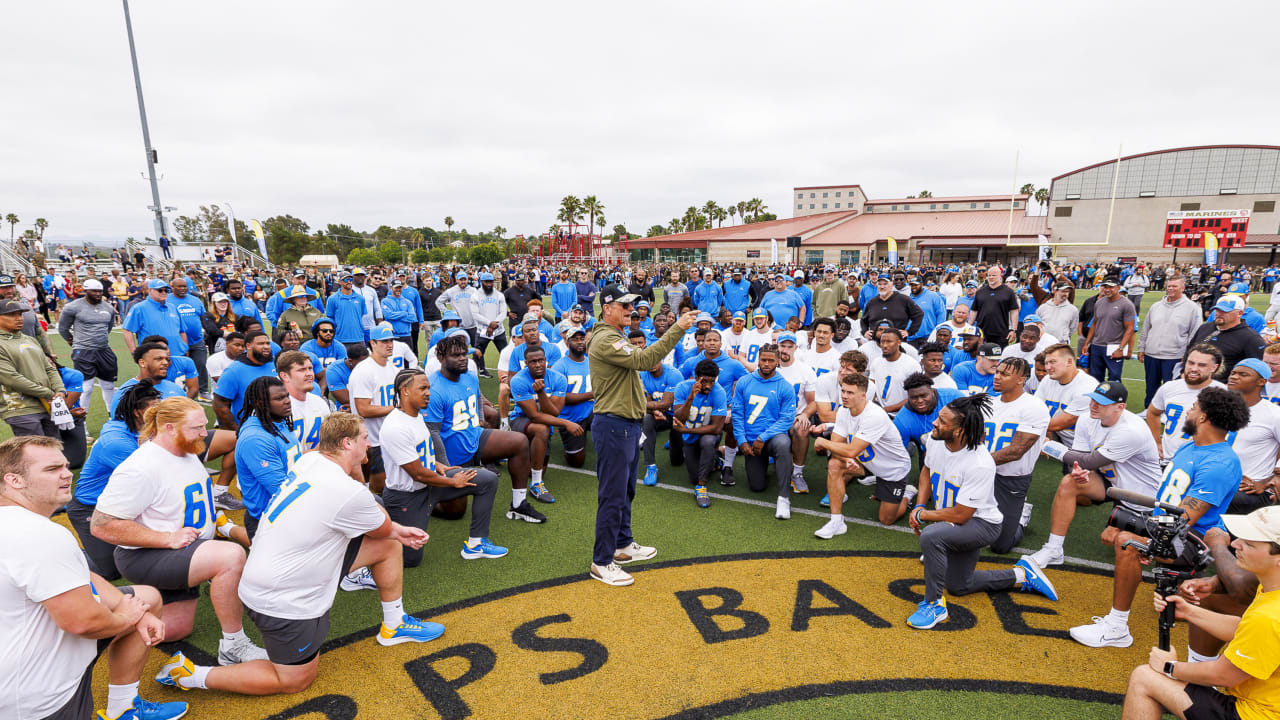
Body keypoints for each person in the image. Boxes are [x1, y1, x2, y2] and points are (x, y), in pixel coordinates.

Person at [156, 412, 446, 697]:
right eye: (364, 439)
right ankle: (192, 674)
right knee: (294, 680)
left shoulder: (310, 461)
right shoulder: (347, 491)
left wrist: (394, 530)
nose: (369, 444)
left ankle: (394, 624)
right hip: (281, 598)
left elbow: (383, 533)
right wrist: (392, 525)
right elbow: (380, 524)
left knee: (387, 547)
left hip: (275, 571)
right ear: (346, 443)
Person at [0, 435, 188, 720]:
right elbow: (83, 622)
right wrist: (127, 618)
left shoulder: (18, 524)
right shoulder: (40, 535)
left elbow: (76, 573)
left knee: (145, 599)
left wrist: (135, 610)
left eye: (65, 466)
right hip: (35, 697)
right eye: (52, 469)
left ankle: (123, 707)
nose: (66, 473)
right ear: (15, 481)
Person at [1066, 386, 1247, 650]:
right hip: (1170, 527)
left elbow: (1185, 517)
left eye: (1194, 407)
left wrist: (1141, 534)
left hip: (1194, 539)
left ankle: (1117, 628)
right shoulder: (1191, 446)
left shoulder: (1219, 463)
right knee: (1119, 532)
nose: (1189, 410)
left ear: (1203, 418)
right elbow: (1166, 503)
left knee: (1127, 542)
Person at [90, 397, 268, 659]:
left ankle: (121, 608)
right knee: (230, 557)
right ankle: (234, 645)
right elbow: (102, 526)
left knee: (172, 630)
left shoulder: (183, 449)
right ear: (169, 428)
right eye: (196, 427)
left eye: (204, 426)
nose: (203, 433)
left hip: (183, 549)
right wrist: (167, 538)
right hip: (149, 554)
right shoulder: (141, 468)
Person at [905, 394, 1058, 630]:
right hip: (954, 521)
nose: (935, 423)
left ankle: (934, 605)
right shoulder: (936, 442)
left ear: (960, 431)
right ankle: (1022, 575)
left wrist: (924, 517)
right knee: (959, 586)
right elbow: (926, 470)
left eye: (943, 421)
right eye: (939, 418)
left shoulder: (979, 462)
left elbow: (961, 515)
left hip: (981, 525)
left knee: (931, 536)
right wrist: (919, 505)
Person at [1123, 505, 1280, 720]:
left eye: (1249, 544)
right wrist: (1188, 612)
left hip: (1258, 714)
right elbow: (1244, 629)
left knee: (1144, 677)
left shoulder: (1269, 616)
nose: (1235, 544)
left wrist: (1169, 667)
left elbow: (1224, 676)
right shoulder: (1272, 590)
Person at [586, 284, 697, 586]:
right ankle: (601, 561)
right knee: (612, 495)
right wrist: (677, 328)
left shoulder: (615, 335)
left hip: (628, 424)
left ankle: (622, 545)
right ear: (606, 308)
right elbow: (645, 361)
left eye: (631, 305)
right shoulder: (606, 338)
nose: (629, 310)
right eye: (623, 306)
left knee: (625, 490)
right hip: (614, 425)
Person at [1026, 381, 1162, 569]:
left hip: (1142, 498)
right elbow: (1081, 460)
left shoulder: (1131, 430)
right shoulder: (1086, 419)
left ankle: (1147, 536)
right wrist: (1080, 472)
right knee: (1069, 482)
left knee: (1117, 541)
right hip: (1112, 484)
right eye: (1093, 399)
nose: (1093, 405)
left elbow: (1090, 461)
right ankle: (1053, 549)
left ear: (1120, 407)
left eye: (1102, 403)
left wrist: (1048, 446)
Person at [380, 368, 504, 567]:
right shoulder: (395, 427)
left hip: (431, 483)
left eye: (428, 387)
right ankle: (383, 526)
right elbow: (417, 473)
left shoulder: (416, 415)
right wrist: (452, 481)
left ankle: (477, 544)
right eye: (422, 388)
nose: (428, 392)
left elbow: (420, 455)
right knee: (409, 560)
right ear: (404, 391)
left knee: (487, 480)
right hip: (407, 496)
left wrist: (439, 465)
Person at [426, 332, 547, 525]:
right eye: (455, 355)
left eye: (464, 354)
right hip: (452, 453)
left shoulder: (469, 376)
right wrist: (446, 468)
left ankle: (518, 505)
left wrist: (481, 419)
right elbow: (432, 432)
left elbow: (478, 399)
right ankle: (426, 499)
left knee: (519, 441)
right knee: (456, 512)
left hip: (475, 436)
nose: (462, 359)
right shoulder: (433, 388)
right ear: (441, 358)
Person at [69, 382, 162, 581]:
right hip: (90, 508)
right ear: (138, 412)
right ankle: (69, 556)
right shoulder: (117, 443)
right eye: (155, 409)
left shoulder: (140, 427)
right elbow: (155, 475)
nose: (160, 413)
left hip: (122, 504)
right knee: (110, 571)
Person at [813, 371, 912, 535]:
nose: (844, 396)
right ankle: (836, 521)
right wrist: (844, 457)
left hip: (892, 469)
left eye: (850, 393)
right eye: (843, 391)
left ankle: (907, 495)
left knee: (886, 519)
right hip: (865, 461)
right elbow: (837, 445)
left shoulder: (874, 415)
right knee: (834, 464)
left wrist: (823, 441)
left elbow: (850, 449)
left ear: (863, 396)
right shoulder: (844, 411)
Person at [982, 357, 1049, 553]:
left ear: (1021, 379)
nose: (997, 376)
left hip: (1011, 477)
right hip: (984, 473)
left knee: (1000, 546)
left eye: (1005, 374)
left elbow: (1016, 450)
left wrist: (977, 463)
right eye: (997, 371)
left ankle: (1020, 520)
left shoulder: (1034, 407)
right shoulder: (988, 402)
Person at [731, 343, 797, 518]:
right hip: (751, 441)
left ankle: (783, 498)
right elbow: (737, 414)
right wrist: (742, 441)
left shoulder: (785, 386)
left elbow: (787, 419)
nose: (767, 363)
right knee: (757, 487)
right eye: (763, 360)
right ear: (758, 360)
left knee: (783, 443)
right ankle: (769, 467)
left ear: (777, 362)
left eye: (771, 360)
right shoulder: (744, 382)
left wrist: (763, 437)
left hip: (772, 438)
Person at [234, 377, 303, 539]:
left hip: (287, 510)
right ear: (261, 403)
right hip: (269, 519)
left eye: (287, 396)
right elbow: (280, 488)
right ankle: (226, 527)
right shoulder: (256, 438)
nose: (287, 401)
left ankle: (226, 527)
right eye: (279, 398)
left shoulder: (278, 423)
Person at [508, 345, 576, 502]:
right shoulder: (518, 380)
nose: (537, 364)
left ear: (546, 360)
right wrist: (566, 423)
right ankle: (536, 484)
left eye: (540, 360)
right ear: (526, 363)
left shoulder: (558, 378)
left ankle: (533, 470)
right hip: (520, 420)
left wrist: (541, 392)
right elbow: (534, 416)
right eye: (533, 361)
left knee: (533, 469)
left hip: (547, 420)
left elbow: (554, 412)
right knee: (542, 429)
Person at [1145, 344, 1224, 464]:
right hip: (1168, 460)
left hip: (1201, 463)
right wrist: (1156, 442)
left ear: (1214, 367)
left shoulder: (1223, 393)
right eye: (1190, 363)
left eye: (1201, 365)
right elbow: (1153, 412)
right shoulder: (1169, 387)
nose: (1194, 368)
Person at [0, 298, 68, 438]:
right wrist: (49, 393)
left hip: (47, 405)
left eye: (20, 314)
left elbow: (49, 368)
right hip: (20, 408)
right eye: (12, 315)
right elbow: (12, 379)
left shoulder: (29, 339)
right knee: (37, 455)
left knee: (56, 451)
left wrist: (60, 390)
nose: (19, 318)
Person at [348, 323, 401, 492]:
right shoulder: (364, 370)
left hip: (388, 436)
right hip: (371, 440)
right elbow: (363, 409)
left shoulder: (392, 368)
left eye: (391, 340)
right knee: (373, 488)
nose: (390, 344)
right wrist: (395, 408)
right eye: (384, 341)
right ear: (372, 343)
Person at [1137, 273, 1204, 406]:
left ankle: (1168, 413)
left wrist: (1188, 354)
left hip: (1174, 356)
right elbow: (1145, 329)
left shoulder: (1192, 308)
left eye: (1175, 286)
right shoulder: (1156, 306)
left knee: (1172, 388)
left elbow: (1195, 334)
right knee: (1151, 386)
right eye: (1169, 286)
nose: (1171, 288)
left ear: (1183, 287)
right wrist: (1141, 348)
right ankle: (1149, 410)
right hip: (1151, 354)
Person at [1224, 359, 1280, 514]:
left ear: (1261, 381)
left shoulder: (1274, 414)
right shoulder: (1220, 407)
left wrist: (1268, 482)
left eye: (1243, 374)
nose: (1234, 377)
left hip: (1247, 489)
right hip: (1218, 480)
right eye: (1233, 373)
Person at [58, 277, 119, 412]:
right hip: (83, 351)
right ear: (86, 291)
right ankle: (82, 419)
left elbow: (108, 327)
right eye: (94, 291)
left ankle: (112, 415)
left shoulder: (108, 307)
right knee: (87, 387)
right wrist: (72, 341)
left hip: (104, 350)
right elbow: (62, 328)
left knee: (108, 385)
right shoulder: (72, 307)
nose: (98, 294)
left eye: (100, 291)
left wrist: (99, 340)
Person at [673, 359, 728, 510]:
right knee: (693, 477)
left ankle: (701, 488)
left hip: (706, 435)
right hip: (689, 437)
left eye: (712, 381)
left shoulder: (719, 392)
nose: (709, 386)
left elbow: (716, 428)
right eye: (705, 381)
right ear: (696, 377)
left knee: (708, 442)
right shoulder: (683, 388)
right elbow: (679, 418)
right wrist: (691, 396)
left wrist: (686, 430)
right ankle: (716, 459)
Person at [212, 330, 278, 430]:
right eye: (261, 343)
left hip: (277, 426)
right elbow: (219, 403)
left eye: (267, 343)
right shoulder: (234, 371)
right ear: (248, 346)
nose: (266, 346)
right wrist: (236, 430)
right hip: (249, 430)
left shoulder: (275, 364)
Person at [1190, 294, 1267, 376]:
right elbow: (1189, 350)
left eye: (1225, 311)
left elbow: (1258, 368)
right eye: (1217, 310)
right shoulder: (1204, 328)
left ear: (1240, 313)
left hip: (1224, 386)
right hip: (1194, 380)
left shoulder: (1251, 338)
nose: (1219, 314)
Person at [551, 325, 594, 469]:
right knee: (577, 463)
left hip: (592, 412)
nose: (580, 342)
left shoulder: (592, 361)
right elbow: (561, 398)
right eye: (575, 339)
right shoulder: (560, 366)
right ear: (567, 343)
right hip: (571, 418)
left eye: (582, 339)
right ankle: (570, 449)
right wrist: (591, 395)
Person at [1083, 274, 1137, 382]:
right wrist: (1087, 343)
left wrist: (1121, 348)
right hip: (1097, 346)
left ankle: (1115, 399)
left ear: (1118, 287)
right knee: (1095, 378)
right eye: (1105, 287)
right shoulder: (1099, 303)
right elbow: (1094, 323)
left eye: (1111, 287)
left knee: (1114, 378)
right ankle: (1098, 399)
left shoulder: (1127, 304)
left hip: (1114, 347)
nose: (1107, 290)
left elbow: (1130, 329)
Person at [278, 350, 331, 452]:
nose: (309, 374)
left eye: (310, 369)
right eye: (301, 370)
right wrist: (315, 452)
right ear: (285, 376)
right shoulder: (277, 407)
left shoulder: (319, 402)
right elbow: (279, 455)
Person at [168, 278, 210, 401]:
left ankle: (203, 391)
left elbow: (203, 318)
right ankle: (180, 391)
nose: (182, 289)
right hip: (177, 342)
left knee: (201, 365)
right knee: (179, 367)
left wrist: (206, 331)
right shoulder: (167, 300)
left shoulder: (195, 300)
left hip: (197, 340)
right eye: (179, 286)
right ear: (172, 287)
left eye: (184, 286)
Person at [868, 327, 921, 412]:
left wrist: (887, 409)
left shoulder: (912, 365)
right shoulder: (876, 362)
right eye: (882, 342)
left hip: (901, 414)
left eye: (889, 342)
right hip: (879, 412)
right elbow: (871, 388)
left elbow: (915, 396)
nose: (884, 345)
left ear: (899, 342)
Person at [970, 266, 1020, 347]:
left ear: (1000, 276)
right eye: (989, 275)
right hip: (982, 332)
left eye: (994, 275)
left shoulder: (1008, 292)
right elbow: (974, 310)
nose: (991, 277)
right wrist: (969, 325)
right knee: (981, 356)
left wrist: (1013, 330)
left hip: (1001, 332)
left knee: (999, 357)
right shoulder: (980, 292)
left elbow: (1014, 311)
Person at [470, 272, 508, 378]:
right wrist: (489, 324)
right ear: (481, 282)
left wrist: (493, 325)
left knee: (506, 353)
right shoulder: (475, 296)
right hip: (482, 331)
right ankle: (471, 376)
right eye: (486, 282)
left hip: (498, 330)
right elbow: (475, 314)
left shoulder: (499, 295)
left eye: (490, 282)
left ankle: (510, 375)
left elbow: (503, 313)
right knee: (477, 355)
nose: (489, 284)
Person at [326, 271, 372, 345]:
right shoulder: (332, 299)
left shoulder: (360, 298)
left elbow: (361, 315)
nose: (348, 282)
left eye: (350, 279)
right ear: (339, 282)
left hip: (359, 338)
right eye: (345, 280)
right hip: (340, 339)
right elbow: (330, 318)